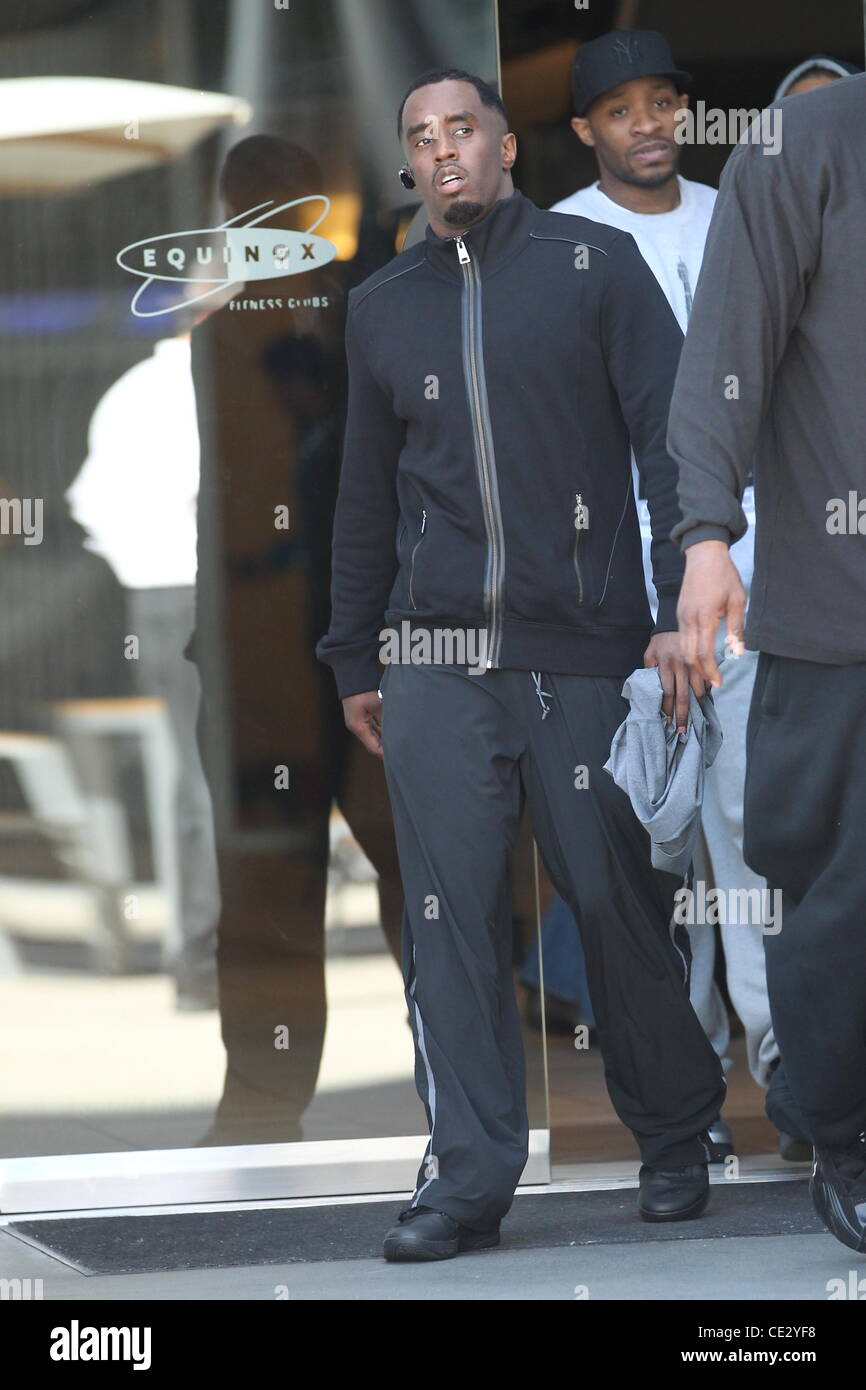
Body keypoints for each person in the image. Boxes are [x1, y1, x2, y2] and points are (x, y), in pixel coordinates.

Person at [317, 66, 725, 1262]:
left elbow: (668, 440)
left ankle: (674, 1130)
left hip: (584, 645)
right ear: (412, 164)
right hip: (434, 652)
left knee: (610, 898)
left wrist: (668, 604)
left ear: (503, 145)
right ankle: (467, 1177)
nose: (443, 150)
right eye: (420, 137)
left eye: (462, 129)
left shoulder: (592, 271)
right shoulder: (382, 304)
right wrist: (357, 652)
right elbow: (360, 500)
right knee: (448, 920)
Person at [551, 28, 783, 1163]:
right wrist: (649, 609)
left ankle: (787, 1086)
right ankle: (685, 1115)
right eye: (620, 108)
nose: (647, 122)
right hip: (624, 599)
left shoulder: (739, 210)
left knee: (746, 838)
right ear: (586, 128)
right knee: (652, 853)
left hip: (748, 576)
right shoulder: (557, 243)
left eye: (663, 102)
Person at [669, 71, 866, 1252]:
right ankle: (841, 1133)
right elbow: (722, 357)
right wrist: (704, 537)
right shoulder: (808, 141)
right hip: (839, 621)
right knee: (835, 901)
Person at [66, 332, 221, 1010]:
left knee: (193, 780)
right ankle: (218, 954)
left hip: (158, 595)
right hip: (210, 589)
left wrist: (142, 563)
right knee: (223, 780)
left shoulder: (130, 392)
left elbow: (88, 505)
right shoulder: (214, 386)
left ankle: (199, 960)